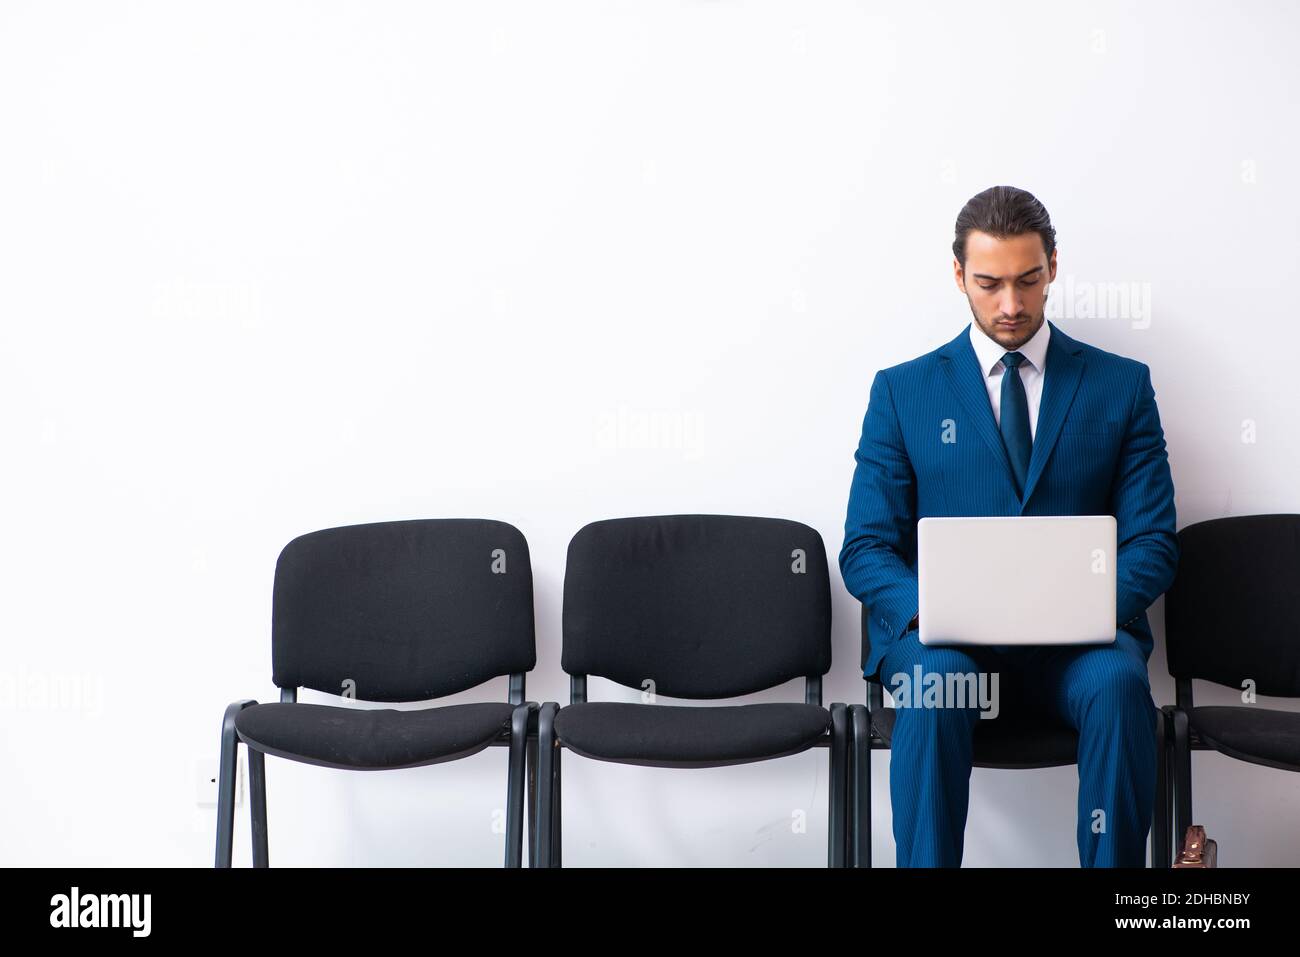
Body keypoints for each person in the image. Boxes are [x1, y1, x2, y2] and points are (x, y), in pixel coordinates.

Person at [839, 184, 1177, 866]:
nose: (1012, 305)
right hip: (947, 647)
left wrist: (1076, 607)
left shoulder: (1121, 386)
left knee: (1117, 684)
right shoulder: (903, 392)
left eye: (1028, 280)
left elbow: (1153, 542)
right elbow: (866, 547)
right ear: (958, 274)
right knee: (934, 683)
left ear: (1053, 265)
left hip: (1077, 651)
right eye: (990, 284)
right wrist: (937, 611)